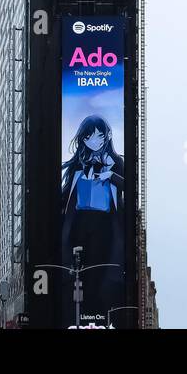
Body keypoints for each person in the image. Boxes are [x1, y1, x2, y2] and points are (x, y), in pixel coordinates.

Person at [60, 115, 125, 321]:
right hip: (79, 229)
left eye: (99, 136)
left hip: (105, 230)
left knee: (100, 278)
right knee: (80, 278)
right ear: (83, 139)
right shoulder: (77, 166)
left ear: (107, 137)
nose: (94, 141)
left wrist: (110, 176)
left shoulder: (116, 163)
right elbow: (64, 198)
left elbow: (128, 189)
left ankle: (98, 317)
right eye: (89, 137)